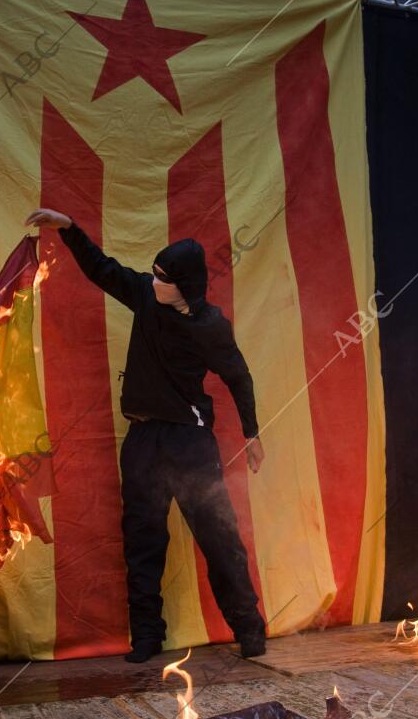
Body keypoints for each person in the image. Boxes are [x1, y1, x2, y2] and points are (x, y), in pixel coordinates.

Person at [25, 207, 267, 662]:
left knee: (219, 538)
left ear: (187, 287)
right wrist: (68, 228)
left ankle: (249, 629)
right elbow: (103, 269)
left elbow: (239, 376)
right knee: (142, 540)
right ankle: (147, 638)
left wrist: (252, 433)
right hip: (143, 443)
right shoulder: (143, 295)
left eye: (163, 277)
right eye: (153, 273)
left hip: (190, 445)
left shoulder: (210, 326)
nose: (153, 281)